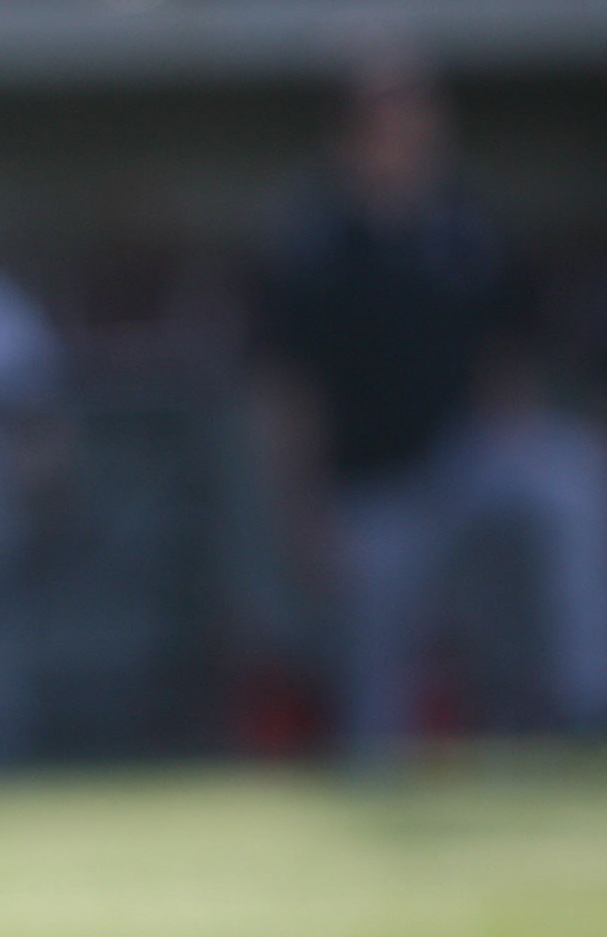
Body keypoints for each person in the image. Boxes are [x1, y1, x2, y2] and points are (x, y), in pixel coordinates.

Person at [255, 52, 607, 764]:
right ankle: (375, 772)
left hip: (463, 462)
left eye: (417, 113)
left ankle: (582, 704)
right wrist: (304, 510)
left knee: (569, 479)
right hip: (371, 489)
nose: (408, 132)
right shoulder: (312, 242)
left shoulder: (463, 224)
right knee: (375, 688)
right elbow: (287, 392)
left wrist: (511, 437)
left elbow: (506, 348)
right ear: (349, 132)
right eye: (387, 117)